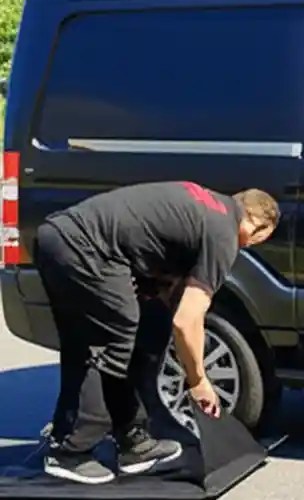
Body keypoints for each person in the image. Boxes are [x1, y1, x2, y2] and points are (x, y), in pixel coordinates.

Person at [31, 181, 279, 484]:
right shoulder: (224, 232)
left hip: (64, 240)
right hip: (82, 246)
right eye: (257, 240)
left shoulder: (207, 209)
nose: (249, 246)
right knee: (111, 343)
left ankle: (131, 441)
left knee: (138, 332)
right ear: (258, 225)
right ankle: (71, 451)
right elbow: (187, 320)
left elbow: (164, 279)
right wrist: (198, 381)